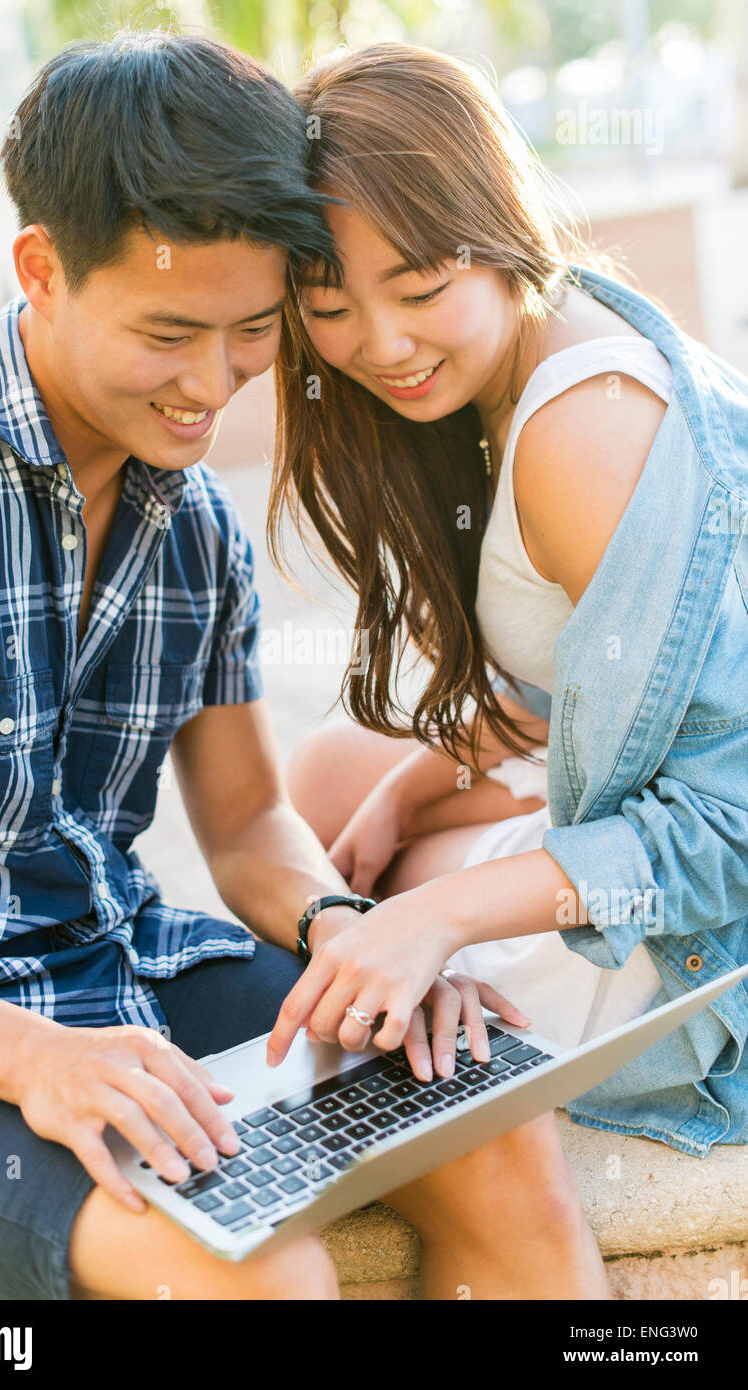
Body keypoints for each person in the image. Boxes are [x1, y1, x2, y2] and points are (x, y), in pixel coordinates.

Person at [0, 29, 609, 1303]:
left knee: (492, 1128)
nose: (210, 386)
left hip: (124, 962)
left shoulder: (192, 521)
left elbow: (250, 820)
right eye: (169, 330)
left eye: (255, 332)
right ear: (40, 271)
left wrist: (354, 936)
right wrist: (32, 1059)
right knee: (255, 1266)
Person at [268, 42, 748, 1177]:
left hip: (710, 937)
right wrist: (403, 792)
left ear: (501, 229)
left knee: (378, 925)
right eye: (330, 307)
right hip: (657, 818)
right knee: (340, 784)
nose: (382, 347)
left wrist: (439, 917)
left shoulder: (582, 432)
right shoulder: (547, 334)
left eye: (422, 290)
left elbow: (732, 827)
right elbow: (582, 699)